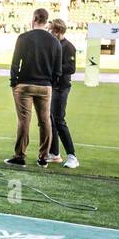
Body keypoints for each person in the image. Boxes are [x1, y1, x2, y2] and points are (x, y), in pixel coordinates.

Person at [6, 7, 63, 167]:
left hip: (25, 85)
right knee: (45, 121)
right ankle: (43, 158)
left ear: (35, 19)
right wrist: (49, 84)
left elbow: (15, 63)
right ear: (46, 21)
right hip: (45, 87)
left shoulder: (23, 37)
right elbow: (58, 71)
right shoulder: (55, 41)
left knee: (24, 121)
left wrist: (14, 83)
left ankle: (20, 156)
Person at [47, 18, 80, 169]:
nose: (49, 32)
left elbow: (71, 68)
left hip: (61, 88)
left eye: (51, 30)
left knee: (59, 120)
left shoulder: (69, 47)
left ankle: (72, 157)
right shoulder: (52, 45)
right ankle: (54, 154)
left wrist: (55, 68)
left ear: (58, 31)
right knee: (51, 120)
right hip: (52, 86)